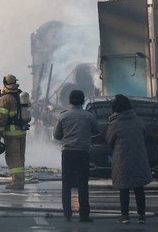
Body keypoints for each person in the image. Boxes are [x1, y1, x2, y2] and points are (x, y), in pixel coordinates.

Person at [53, 90, 99, 223]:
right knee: (83, 184)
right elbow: (96, 131)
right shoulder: (89, 116)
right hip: (83, 153)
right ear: (83, 100)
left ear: (70, 101)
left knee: (66, 183)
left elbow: (56, 136)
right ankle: (84, 215)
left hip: (67, 152)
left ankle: (67, 213)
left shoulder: (63, 116)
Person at [106, 94, 151, 224]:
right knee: (139, 188)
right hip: (139, 158)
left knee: (123, 188)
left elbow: (109, 141)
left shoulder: (115, 124)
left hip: (122, 159)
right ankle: (141, 216)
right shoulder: (138, 121)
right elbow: (145, 136)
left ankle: (125, 215)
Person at [0, 74, 30, 189]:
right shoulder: (21, 95)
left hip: (11, 133)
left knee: (12, 157)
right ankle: (20, 179)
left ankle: (17, 182)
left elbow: (2, 119)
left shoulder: (5, 99)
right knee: (20, 157)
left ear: (5, 83)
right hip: (22, 131)